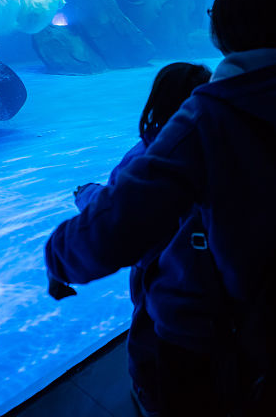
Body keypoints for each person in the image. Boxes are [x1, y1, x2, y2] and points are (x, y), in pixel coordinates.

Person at [45, 0, 276, 416]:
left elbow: (121, 222)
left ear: (221, 26)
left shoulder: (209, 116)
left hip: (216, 328)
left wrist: (59, 256)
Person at [71, 62, 212, 413]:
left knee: (150, 334)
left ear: (156, 105)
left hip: (157, 272)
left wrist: (87, 195)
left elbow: (117, 212)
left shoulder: (146, 157)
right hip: (208, 269)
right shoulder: (220, 143)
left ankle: (149, 396)